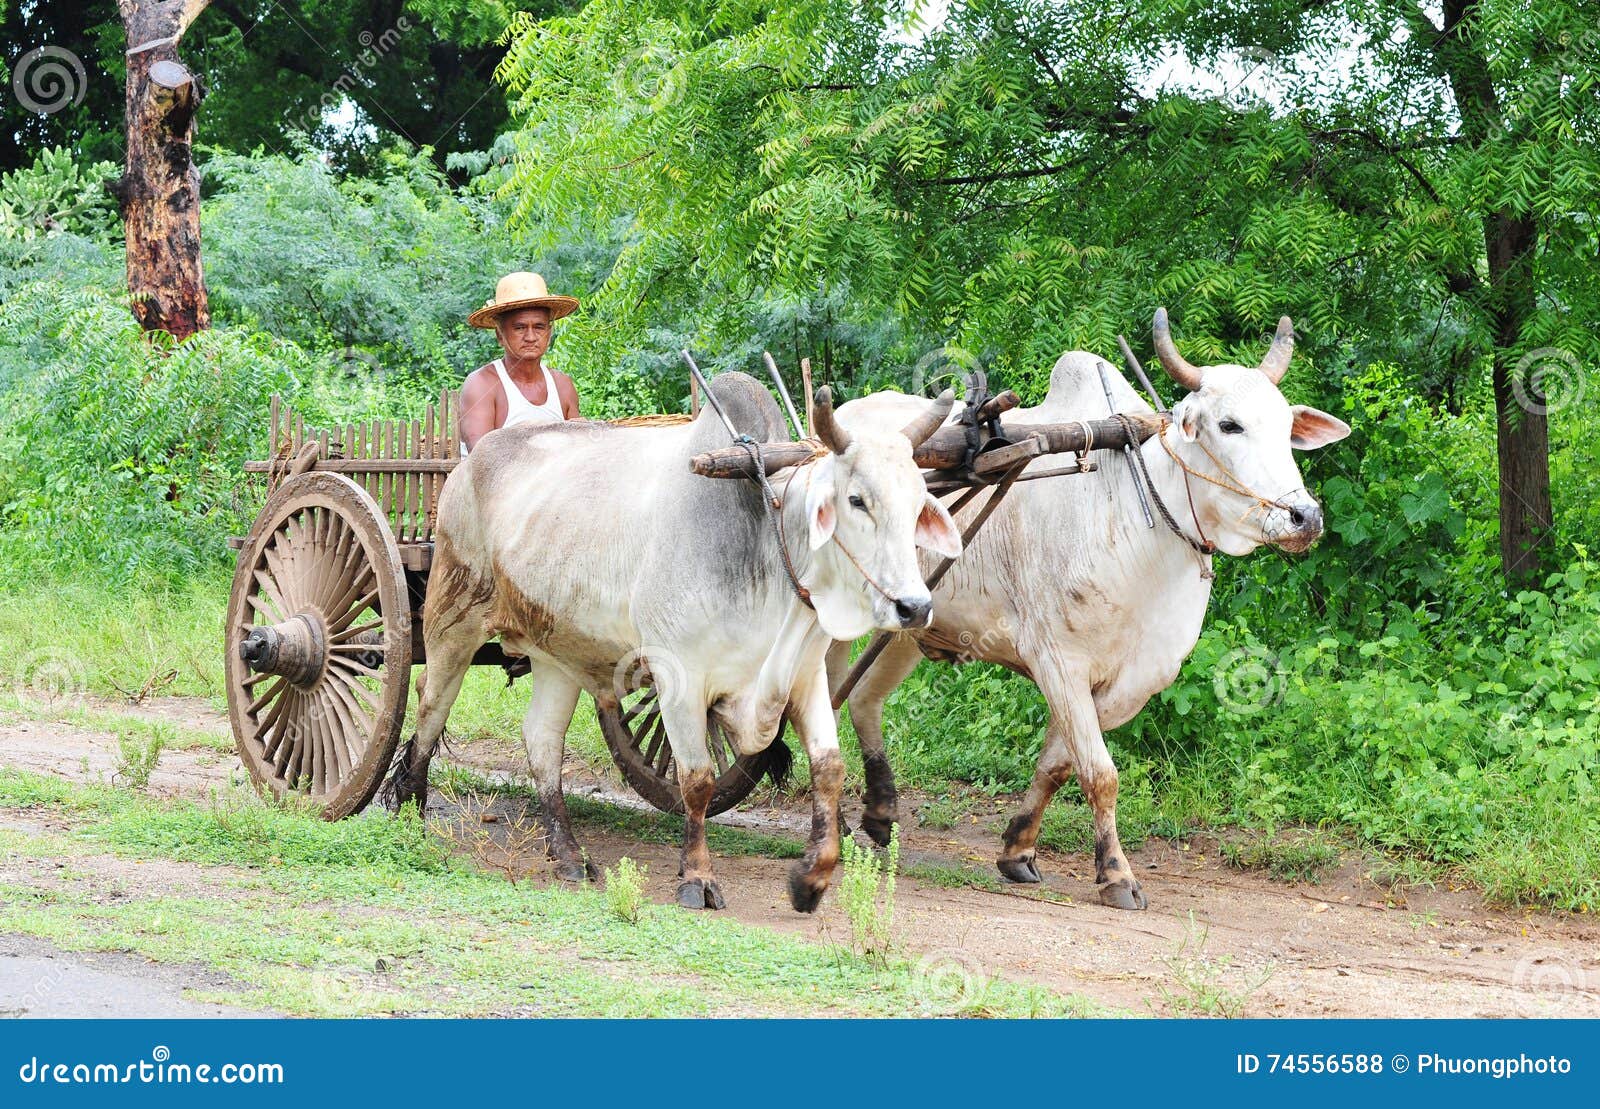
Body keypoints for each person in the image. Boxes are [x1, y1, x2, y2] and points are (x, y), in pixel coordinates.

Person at [459, 272, 582, 451]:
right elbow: (482, 459)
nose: (531, 337)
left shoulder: (562, 386)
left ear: (549, 332)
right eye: (519, 328)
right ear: (500, 335)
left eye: (539, 327)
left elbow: (578, 448)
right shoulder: (482, 384)